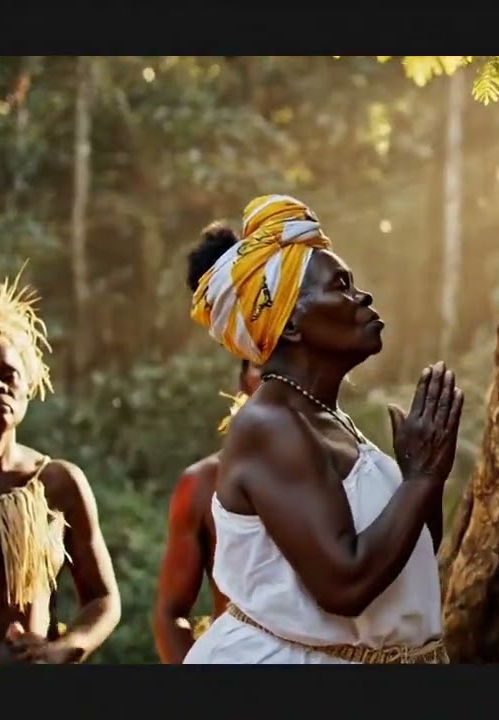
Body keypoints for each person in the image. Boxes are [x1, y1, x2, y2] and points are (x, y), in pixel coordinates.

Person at [182, 194, 462, 664]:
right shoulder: (271, 424)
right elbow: (345, 584)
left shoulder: (328, 418)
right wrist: (421, 478)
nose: (362, 297)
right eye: (341, 286)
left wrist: (422, 475)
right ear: (290, 324)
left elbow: (410, 555)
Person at [0, 270, 121, 665]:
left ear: (27, 390)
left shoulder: (56, 483)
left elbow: (103, 598)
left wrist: (64, 648)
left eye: (8, 376)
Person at [152, 359, 262, 664]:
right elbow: (170, 614)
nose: (276, 375)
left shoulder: (348, 471)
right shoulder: (203, 483)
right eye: (261, 365)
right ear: (244, 383)